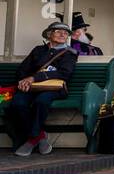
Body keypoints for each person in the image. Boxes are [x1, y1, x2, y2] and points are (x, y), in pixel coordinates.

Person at [8, 21, 78, 157]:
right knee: (18, 103)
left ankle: (32, 139)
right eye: (58, 31)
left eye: (65, 33)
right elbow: (22, 69)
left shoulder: (70, 53)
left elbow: (64, 73)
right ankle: (39, 136)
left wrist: (35, 78)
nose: (63, 34)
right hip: (32, 87)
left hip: (53, 88)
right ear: (49, 34)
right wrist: (24, 81)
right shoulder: (38, 50)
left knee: (41, 101)